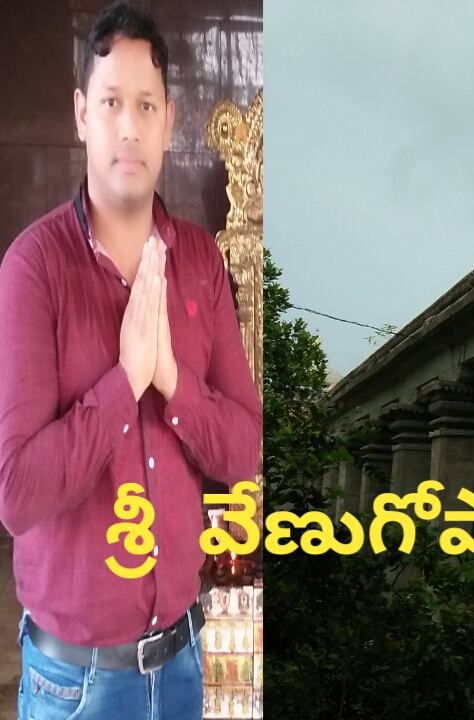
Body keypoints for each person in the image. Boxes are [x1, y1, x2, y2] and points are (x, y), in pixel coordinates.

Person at [0, 2, 262, 719]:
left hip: (185, 663)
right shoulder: (33, 268)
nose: (129, 125)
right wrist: (124, 384)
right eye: (111, 102)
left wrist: (170, 378)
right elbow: (17, 495)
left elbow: (243, 449)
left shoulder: (201, 262)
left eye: (146, 105)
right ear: (82, 114)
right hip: (76, 685)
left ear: (168, 121)